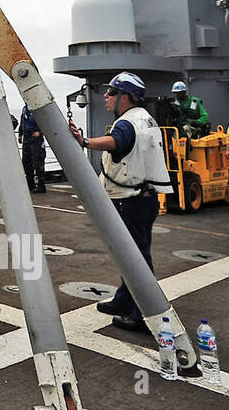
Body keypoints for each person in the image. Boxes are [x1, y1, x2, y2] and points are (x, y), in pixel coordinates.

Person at [69, 71, 173, 333]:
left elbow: (117, 142)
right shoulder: (145, 119)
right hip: (144, 197)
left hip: (130, 200)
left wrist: (84, 141)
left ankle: (141, 313)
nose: (106, 96)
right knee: (132, 254)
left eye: (112, 92)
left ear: (125, 97)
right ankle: (124, 300)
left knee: (136, 257)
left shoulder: (127, 122)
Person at [18, 104, 46, 194]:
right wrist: (20, 134)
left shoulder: (38, 109)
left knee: (38, 163)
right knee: (26, 163)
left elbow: (47, 123)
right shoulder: (25, 109)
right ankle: (30, 184)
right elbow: (22, 122)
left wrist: (40, 132)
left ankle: (41, 185)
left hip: (36, 140)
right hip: (27, 139)